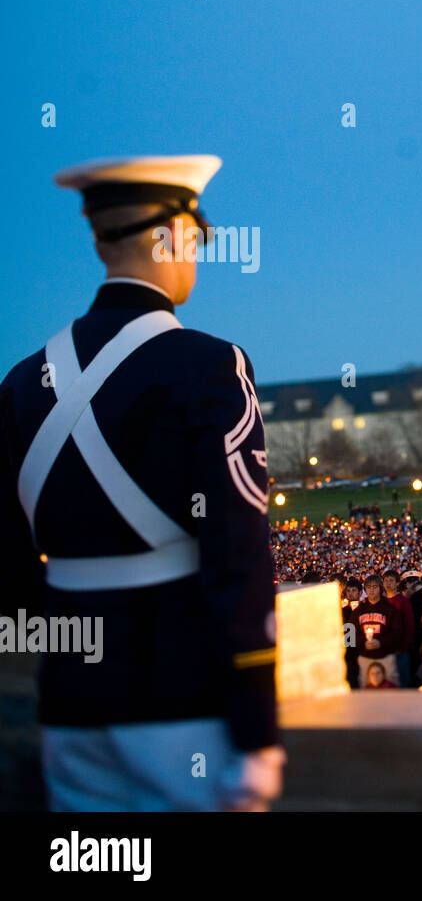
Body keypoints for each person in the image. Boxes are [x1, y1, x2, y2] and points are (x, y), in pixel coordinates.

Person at [0, 155, 282, 810]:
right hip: (180, 699)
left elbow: (11, 571)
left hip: (69, 703)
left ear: (99, 238)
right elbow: (237, 554)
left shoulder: (18, 385)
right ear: (177, 235)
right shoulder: (211, 365)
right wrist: (258, 732)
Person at [355, 575, 403, 684]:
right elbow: (350, 634)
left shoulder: (390, 609)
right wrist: (363, 643)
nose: (371, 590)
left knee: (390, 689)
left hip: (385, 656)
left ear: (380, 588)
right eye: (368, 587)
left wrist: (380, 642)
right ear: (365, 589)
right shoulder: (358, 610)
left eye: (375, 587)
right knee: (366, 690)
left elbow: (397, 633)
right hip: (365, 656)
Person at [382, 570, 415, 687]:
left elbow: (409, 625)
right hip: (385, 650)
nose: (388, 583)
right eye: (385, 581)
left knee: (402, 682)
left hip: (400, 651)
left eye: (391, 581)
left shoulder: (403, 601)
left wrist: (403, 645)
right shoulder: (382, 601)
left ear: (397, 583)